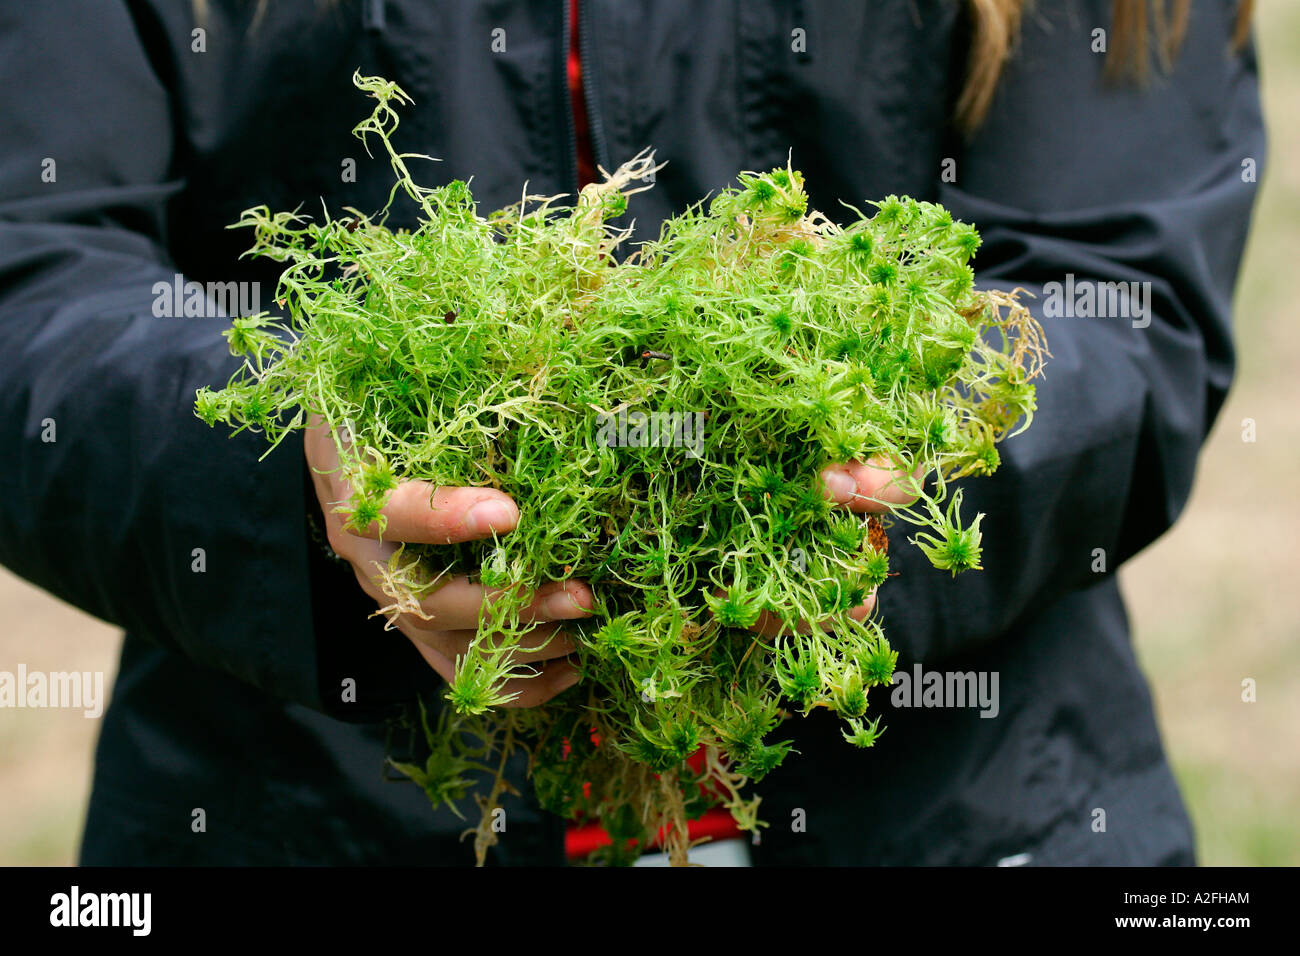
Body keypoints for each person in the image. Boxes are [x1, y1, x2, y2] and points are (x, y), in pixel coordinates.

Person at [0, 0, 1263, 865]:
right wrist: (314, 479)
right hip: (292, 811)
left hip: (981, 815)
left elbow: (1121, 297)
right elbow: (33, 269)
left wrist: (868, 461)